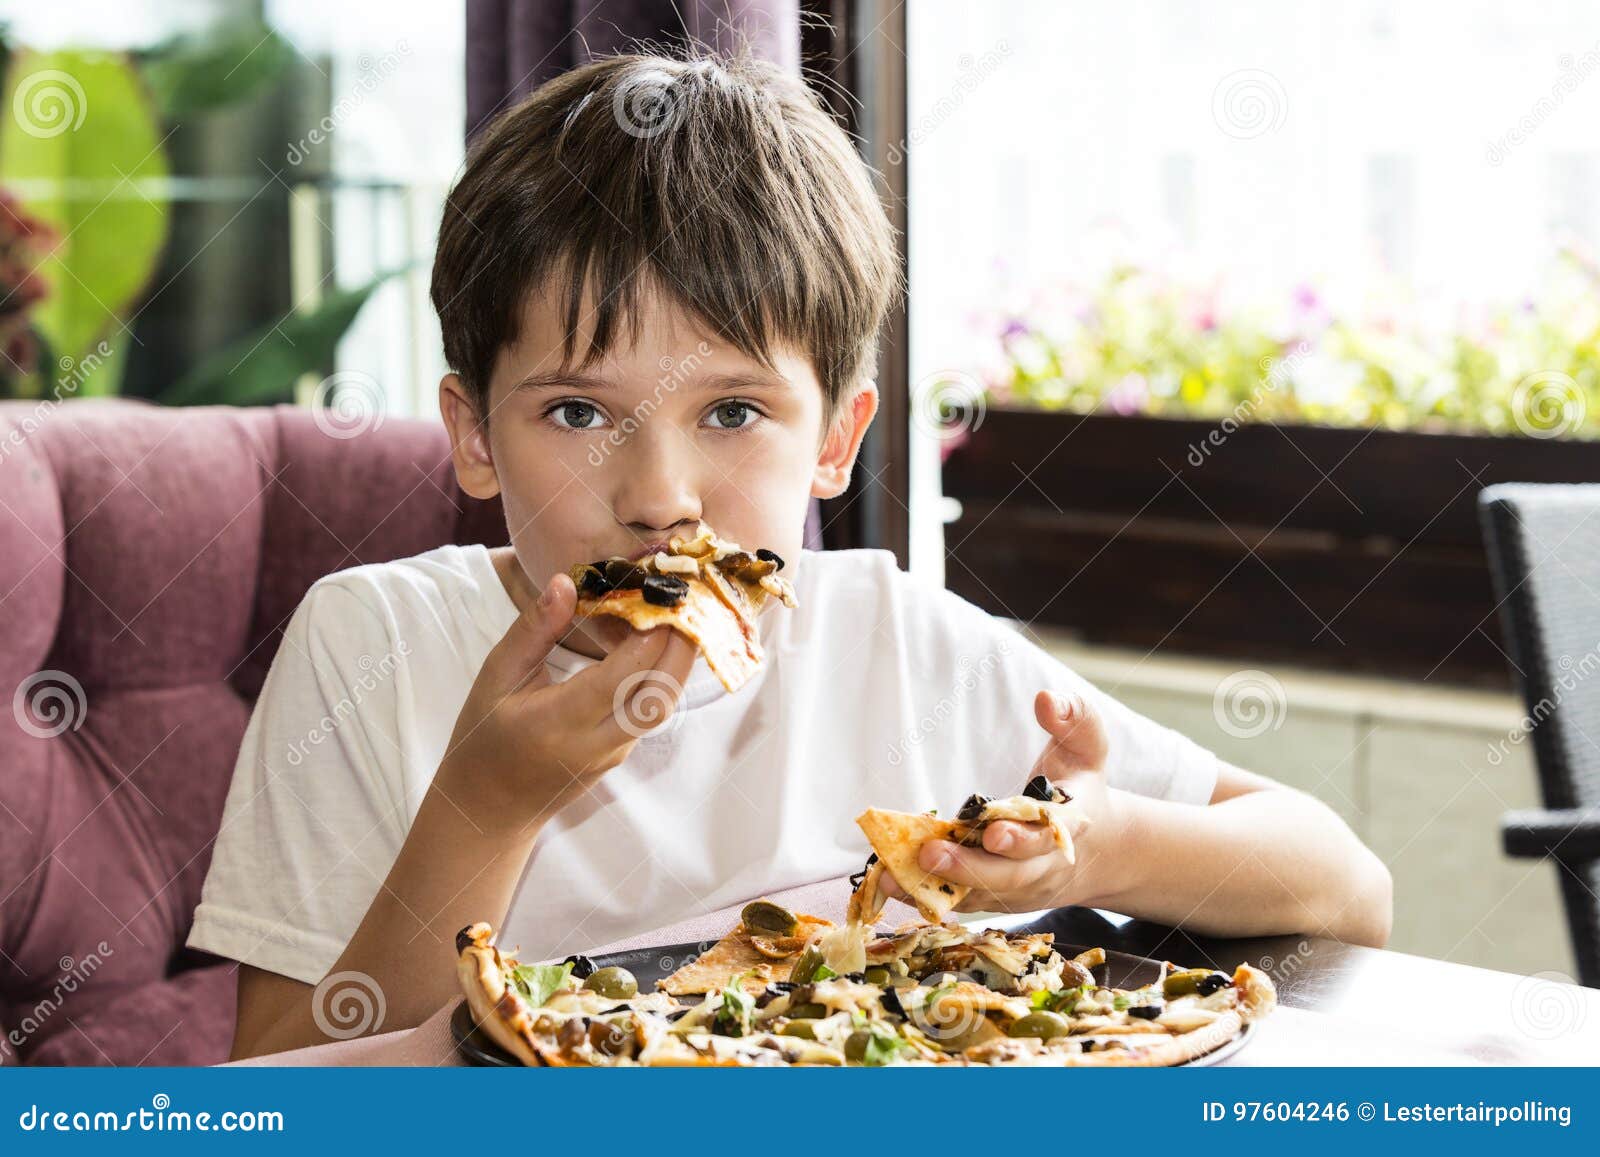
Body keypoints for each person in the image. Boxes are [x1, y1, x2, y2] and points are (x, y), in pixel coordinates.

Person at [190, 50, 1391, 1061]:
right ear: (473, 435)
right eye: (574, 412)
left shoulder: (895, 640)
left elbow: (1347, 887)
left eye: (730, 413)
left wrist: (1095, 838)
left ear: (835, 441)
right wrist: (484, 806)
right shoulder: (374, 644)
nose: (658, 498)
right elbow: (281, 1091)